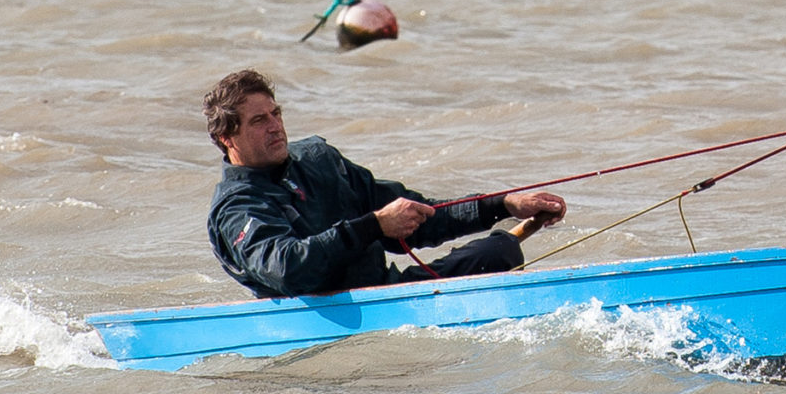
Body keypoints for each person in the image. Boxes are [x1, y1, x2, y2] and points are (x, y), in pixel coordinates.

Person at [203, 69, 565, 300]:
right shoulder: (237, 208)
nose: (275, 126)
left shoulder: (318, 158)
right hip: (322, 314)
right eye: (258, 121)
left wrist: (501, 206)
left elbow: (420, 216)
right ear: (226, 138)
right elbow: (289, 270)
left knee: (497, 253)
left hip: (388, 291)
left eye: (276, 114)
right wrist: (372, 226)